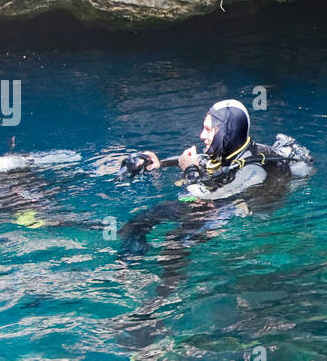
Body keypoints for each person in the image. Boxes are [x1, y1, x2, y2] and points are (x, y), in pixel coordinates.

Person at [118, 99, 312, 256]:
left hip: (229, 210)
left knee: (174, 243)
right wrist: (159, 164)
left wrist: (191, 171)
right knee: (140, 221)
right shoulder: (227, 153)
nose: (201, 135)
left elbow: (209, 197)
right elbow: (203, 164)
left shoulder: (254, 169)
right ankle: (128, 262)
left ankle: (164, 295)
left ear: (228, 131)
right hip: (211, 201)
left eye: (208, 129)